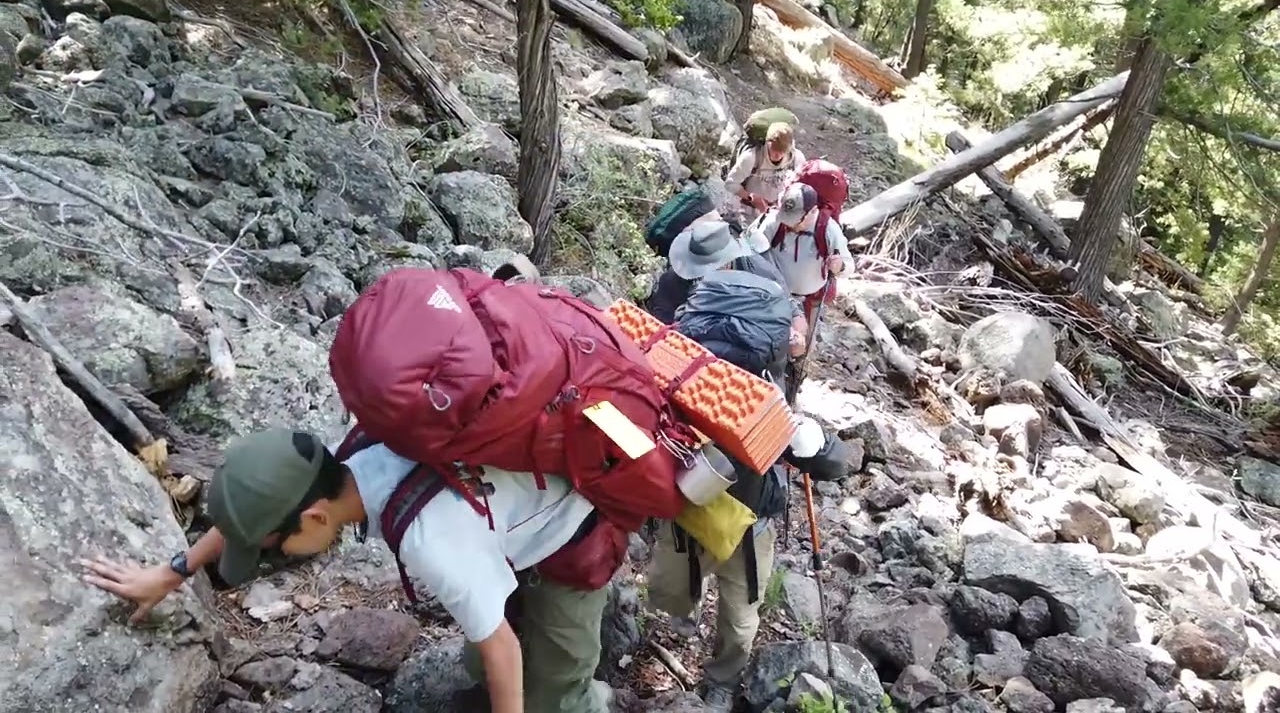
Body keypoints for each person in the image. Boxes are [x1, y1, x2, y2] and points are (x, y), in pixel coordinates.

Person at [83, 428, 615, 713]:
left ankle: (599, 699)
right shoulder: (349, 453)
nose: (282, 556)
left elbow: (503, 647)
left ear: (315, 515)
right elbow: (259, 512)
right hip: (502, 526)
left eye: (280, 548)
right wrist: (172, 571)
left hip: (568, 531)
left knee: (554, 694)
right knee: (484, 673)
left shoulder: (429, 541)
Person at [645, 269, 853, 712]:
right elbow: (836, 464)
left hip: (698, 505)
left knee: (715, 604)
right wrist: (812, 443)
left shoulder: (678, 368)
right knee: (716, 607)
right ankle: (710, 662)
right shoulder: (765, 398)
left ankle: (709, 659)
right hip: (731, 514)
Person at [646, 219, 809, 358]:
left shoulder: (760, 272)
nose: (704, 275)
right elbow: (662, 325)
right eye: (699, 268)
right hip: (689, 352)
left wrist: (797, 338)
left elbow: (793, 311)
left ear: (729, 259)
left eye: (711, 268)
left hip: (749, 351)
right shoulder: (675, 281)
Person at [750, 182, 854, 321]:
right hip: (773, 296)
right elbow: (750, 252)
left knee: (805, 340)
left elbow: (849, 266)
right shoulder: (773, 221)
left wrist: (840, 266)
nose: (790, 224)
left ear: (813, 211)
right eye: (787, 217)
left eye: (795, 220)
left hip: (810, 300)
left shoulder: (829, 229)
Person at [724, 120, 807, 218]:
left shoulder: (796, 158)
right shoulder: (752, 158)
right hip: (750, 212)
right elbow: (730, 184)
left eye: (782, 151)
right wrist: (750, 197)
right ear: (767, 142)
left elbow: (803, 187)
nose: (778, 155)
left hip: (778, 213)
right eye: (775, 149)